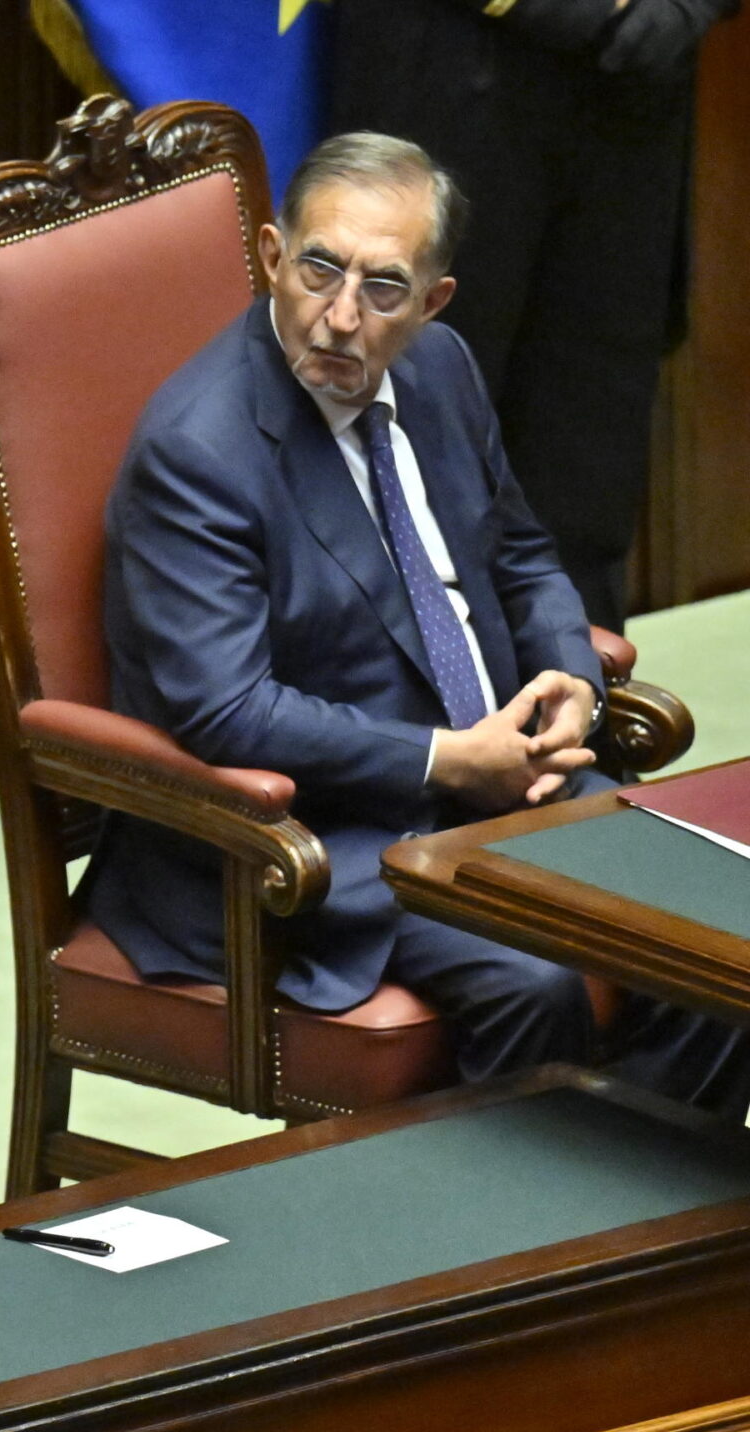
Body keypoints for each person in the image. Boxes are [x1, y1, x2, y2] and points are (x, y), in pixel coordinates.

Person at [88, 132, 750, 1114]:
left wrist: (571, 674)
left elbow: (520, 551)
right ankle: (532, 1250)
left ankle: (642, 1230)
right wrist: (446, 759)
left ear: (432, 301)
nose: (340, 317)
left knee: (718, 933)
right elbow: (225, 709)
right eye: (318, 270)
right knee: (537, 982)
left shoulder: (439, 369)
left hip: (503, 783)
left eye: (383, 287)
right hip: (326, 837)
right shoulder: (201, 452)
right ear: (271, 256)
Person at [333, 0, 737, 631]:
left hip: (633, 95)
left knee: (589, 470)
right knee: (419, 455)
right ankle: (432, 723)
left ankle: (578, 707)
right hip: (448, 78)